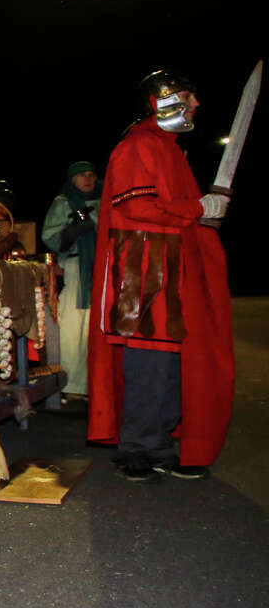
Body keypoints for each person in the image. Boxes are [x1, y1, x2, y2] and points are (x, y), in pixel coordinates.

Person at [87, 69, 234, 482]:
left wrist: (204, 213)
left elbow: (175, 208)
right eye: (189, 96)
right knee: (148, 361)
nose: (196, 105)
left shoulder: (168, 148)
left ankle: (158, 445)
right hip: (143, 270)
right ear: (163, 99)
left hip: (170, 267)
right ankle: (135, 447)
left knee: (171, 363)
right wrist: (198, 209)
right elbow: (136, 207)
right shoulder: (137, 145)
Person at [41, 160, 102, 396]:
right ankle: (72, 385)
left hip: (102, 267)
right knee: (72, 327)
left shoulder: (105, 200)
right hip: (77, 267)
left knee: (96, 327)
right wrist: (76, 228)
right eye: (82, 175)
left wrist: (94, 224)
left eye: (91, 174)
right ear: (72, 179)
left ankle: (97, 386)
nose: (88, 179)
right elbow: (53, 237)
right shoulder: (63, 202)